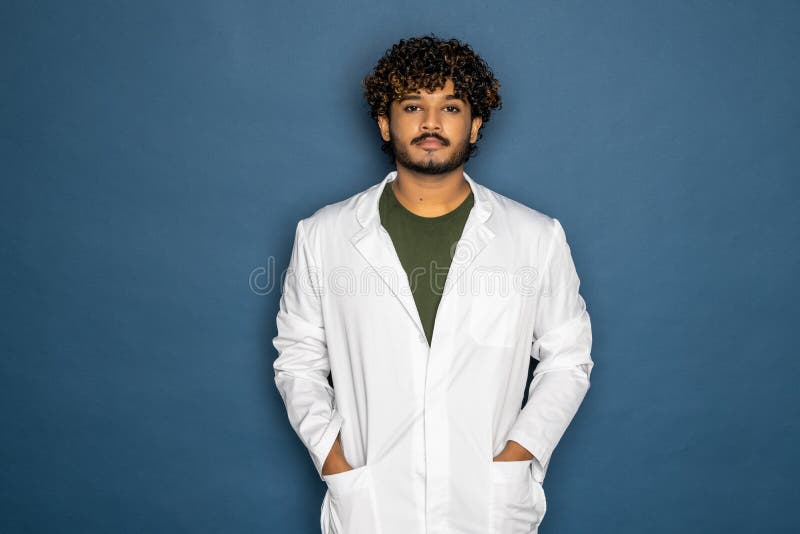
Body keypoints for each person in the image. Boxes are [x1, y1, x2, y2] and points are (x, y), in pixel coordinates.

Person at [272, 34, 594, 534]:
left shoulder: (535, 237)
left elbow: (569, 360)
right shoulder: (323, 236)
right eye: (411, 106)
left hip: (486, 503)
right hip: (373, 503)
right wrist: (335, 461)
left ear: (475, 122)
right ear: (385, 121)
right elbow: (297, 361)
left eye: (450, 106)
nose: (430, 123)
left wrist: (518, 455)